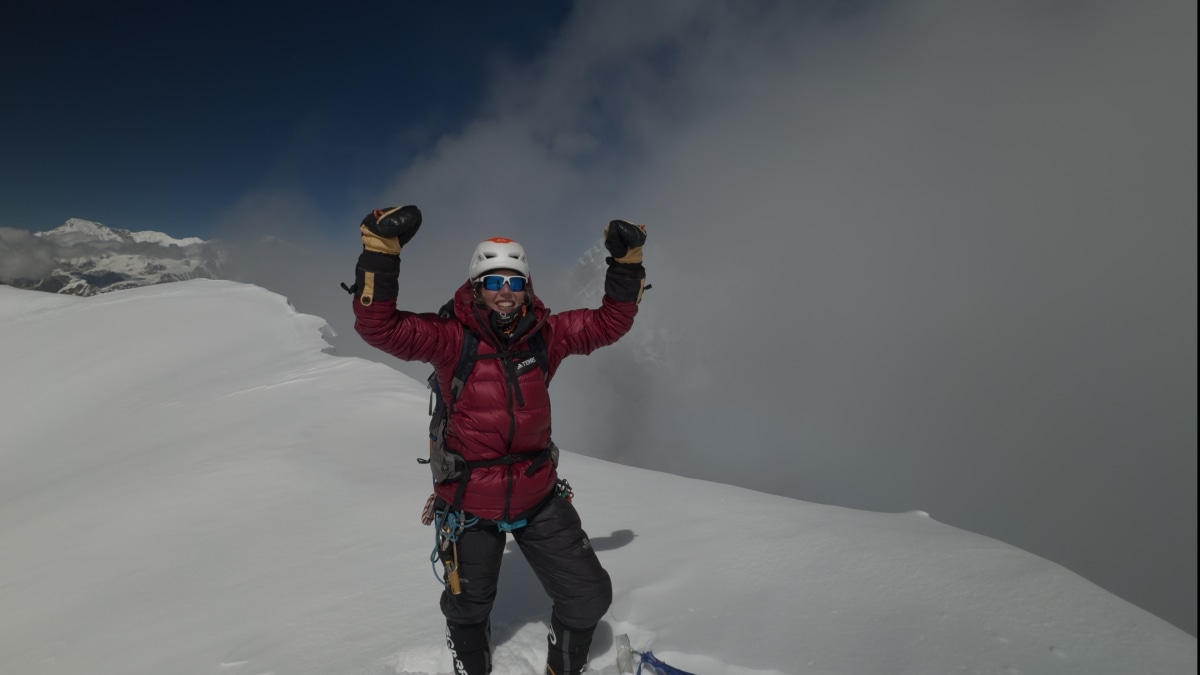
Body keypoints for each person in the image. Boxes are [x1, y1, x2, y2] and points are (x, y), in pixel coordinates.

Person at [350, 205, 647, 675]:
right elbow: (378, 327)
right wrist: (380, 255)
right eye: (494, 281)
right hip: (468, 500)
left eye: (514, 281)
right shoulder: (452, 338)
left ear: (527, 287)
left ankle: (561, 669)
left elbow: (609, 323)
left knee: (588, 596)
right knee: (468, 607)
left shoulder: (546, 337)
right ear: (477, 287)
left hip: (536, 491)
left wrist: (627, 266)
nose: (505, 292)